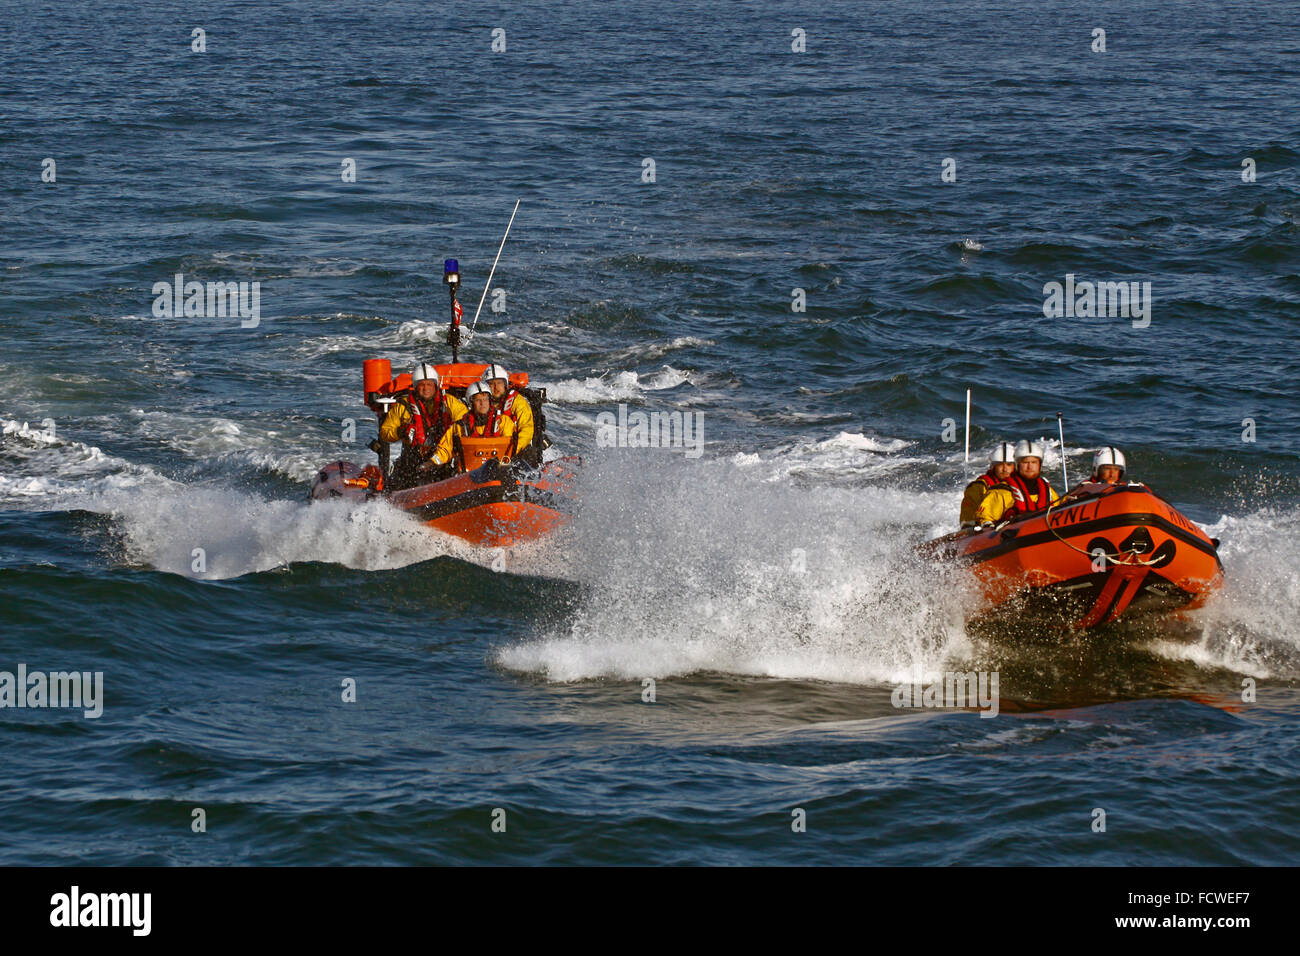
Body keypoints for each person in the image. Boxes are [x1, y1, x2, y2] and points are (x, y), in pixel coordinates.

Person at [379, 363, 468, 489]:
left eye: (429, 384)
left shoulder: (449, 402)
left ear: (435, 386)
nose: (426, 388)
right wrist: (399, 432)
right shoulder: (403, 406)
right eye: (422, 385)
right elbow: (385, 432)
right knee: (396, 484)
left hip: (443, 459)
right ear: (415, 387)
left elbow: (465, 420)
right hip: (412, 460)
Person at [427, 381, 517, 468]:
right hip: (468, 474)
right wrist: (432, 462)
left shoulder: (503, 422)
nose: (483, 404)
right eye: (478, 400)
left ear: (490, 401)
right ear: (471, 403)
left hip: (498, 470)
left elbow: (511, 448)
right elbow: (445, 450)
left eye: (485, 399)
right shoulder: (460, 426)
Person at [974, 439, 1060, 525]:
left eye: (1034, 462)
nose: (1030, 467)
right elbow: (984, 518)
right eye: (1025, 462)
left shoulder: (1049, 492)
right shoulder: (1001, 492)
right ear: (1017, 465)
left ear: (1039, 465)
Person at [480, 363, 537, 465]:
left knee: (529, 454)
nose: (496, 387)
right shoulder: (480, 404)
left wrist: (513, 450)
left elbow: (527, 429)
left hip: (514, 450)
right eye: (491, 384)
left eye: (499, 383)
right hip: (486, 450)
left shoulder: (517, 401)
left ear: (505, 384)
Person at [960, 442, 1016, 528]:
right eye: (1000, 464)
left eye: (1009, 465)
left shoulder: (1022, 484)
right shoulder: (979, 487)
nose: (1005, 469)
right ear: (993, 466)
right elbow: (969, 518)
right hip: (986, 528)